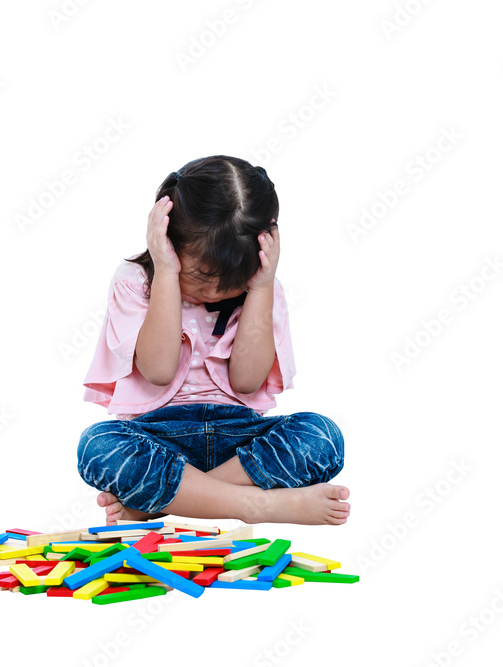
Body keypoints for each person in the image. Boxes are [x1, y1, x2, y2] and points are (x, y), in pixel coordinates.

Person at [78, 155, 349, 526]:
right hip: (158, 437)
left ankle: (160, 504)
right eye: (202, 276)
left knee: (322, 436)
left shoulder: (264, 290)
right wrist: (169, 273)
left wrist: (260, 287)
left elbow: (247, 381)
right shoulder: (135, 281)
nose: (215, 291)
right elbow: (157, 371)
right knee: (98, 445)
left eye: (230, 279)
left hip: (241, 442)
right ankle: (260, 505)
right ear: (169, 240)